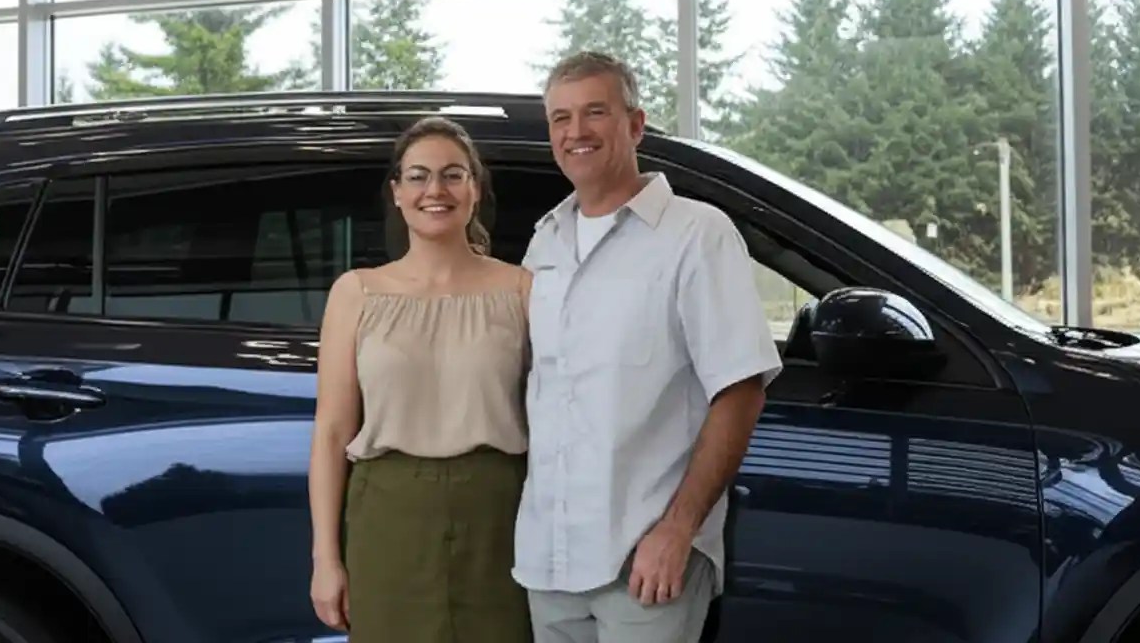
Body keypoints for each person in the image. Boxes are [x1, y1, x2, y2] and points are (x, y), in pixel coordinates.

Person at [513, 50, 784, 643]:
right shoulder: (544, 245)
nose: (575, 132)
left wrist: (677, 531)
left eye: (595, 112)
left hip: (646, 559)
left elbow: (739, 392)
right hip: (550, 562)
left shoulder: (695, 234)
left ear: (635, 125)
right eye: (560, 118)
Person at [308, 115, 534, 642]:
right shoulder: (356, 292)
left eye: (453, 175)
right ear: (397, 192)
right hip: (387, 513)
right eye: (418, 176)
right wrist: (326, 558)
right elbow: (332, 432)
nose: (436, 189)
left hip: (500, 513)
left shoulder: (522, 289)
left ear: (475, 189)